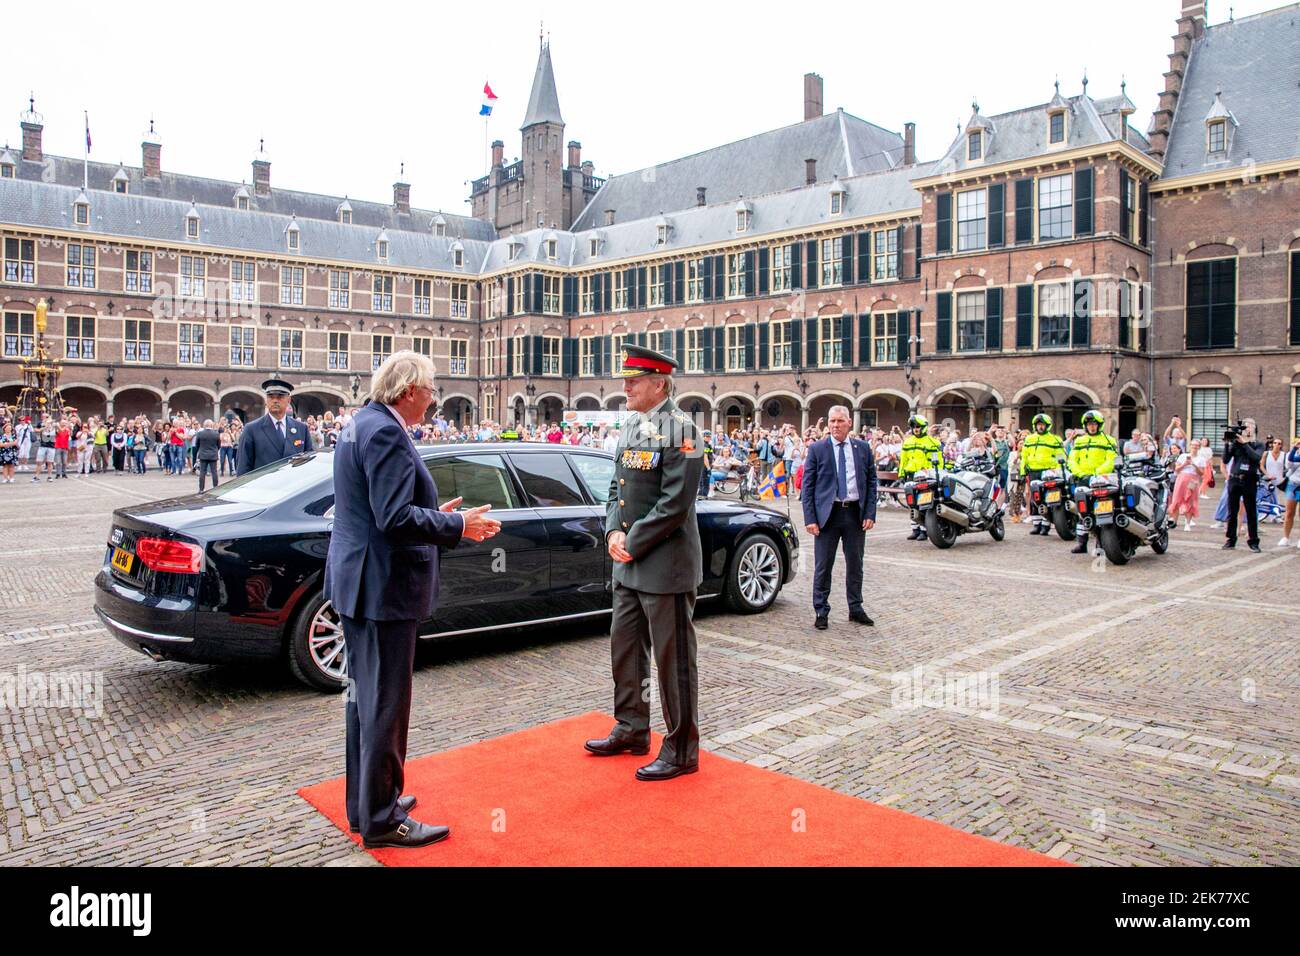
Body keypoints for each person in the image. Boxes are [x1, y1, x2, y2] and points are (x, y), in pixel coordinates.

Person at [324, 351, 500, 849]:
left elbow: (380, 508)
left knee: (366, 700)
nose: (434, 398)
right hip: (382, 588)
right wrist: (457, 526)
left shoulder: (363, 422)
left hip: (363, 583)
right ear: (408, 392)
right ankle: (382, 819)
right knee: (384, 703)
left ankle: (368, 802)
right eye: (430, 389)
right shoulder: (384, 431)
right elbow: (394, 519)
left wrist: (436, 514)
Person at [585, 344, 706, 782]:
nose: (625, 387)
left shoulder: (685, 430)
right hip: (629, 561)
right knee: (626, 650)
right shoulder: (633, 425)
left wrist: (631, 541)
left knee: (673, 662)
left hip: (665, 565)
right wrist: (614, 531)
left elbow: (676, 504)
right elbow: (616, 489)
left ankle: (681, 747)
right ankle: (632, 726)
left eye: (632, 381)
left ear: (659, 383)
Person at [802, 404, 878, 630]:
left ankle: (856, 608)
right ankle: (821, 610)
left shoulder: (863, 448)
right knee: (823, 566)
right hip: (828, 515)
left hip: (854, 513)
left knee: (856, 564)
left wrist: (870, 512)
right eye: (832, 421)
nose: (835, 425)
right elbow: (808, 486)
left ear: (849, 423)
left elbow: (872, 481)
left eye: (840, 421)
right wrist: (810, 518)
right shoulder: (818, 449)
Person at [1067, 410, 1118, 554]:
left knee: (1102, 509)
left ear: (1099, 425)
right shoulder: (1079, 441)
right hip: (1082, 478)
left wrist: (1097, 473)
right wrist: (1080, 473)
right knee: (1082, 510)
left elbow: (1111, 459)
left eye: (1094, 424)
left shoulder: (1108, 440)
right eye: (1089, 424)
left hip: (1101, 479)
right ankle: (1081, 542)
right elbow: (1072, 459)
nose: (1092, 427)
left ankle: (1101, 542)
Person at [237, 379, 308, 476]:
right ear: (266, 400)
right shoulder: (252, 429)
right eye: (271, 397)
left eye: (280, 397)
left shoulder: (301, 428)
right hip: (265, 488)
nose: (275, 400)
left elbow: (308, 463)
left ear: (289, 400)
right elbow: (243, 467)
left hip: (293, 487)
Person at [1020, 413, 1066, 536]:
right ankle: (1036, 524)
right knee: (1035, 498)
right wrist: (1022, 471)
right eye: (1038, 425)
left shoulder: (1055, 439)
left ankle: (1046, 525)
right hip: (1033, 471)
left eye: (1042, 425)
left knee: (1048, 498)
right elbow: (1024, 456)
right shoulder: (1029, 439)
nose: (1040, 427)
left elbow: (1061, 456)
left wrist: (1059, 469)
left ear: (1047, 426)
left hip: (1048, 471)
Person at [898, 414, 943, 540]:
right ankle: (915, 529)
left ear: (923, 427)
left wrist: (932, 473)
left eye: (917, 426)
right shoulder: (908, 442)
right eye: (913, 427)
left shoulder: (932, 443)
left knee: (925, 503)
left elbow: (938, 461)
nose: (915, 429)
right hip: (911, 475)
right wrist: (901, 474)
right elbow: (903, 460)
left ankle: (925, 530)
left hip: (925, 476)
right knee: (912, 503)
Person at [1222, 419, 1263, 552]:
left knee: (1251, 512)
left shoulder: (1258, 444)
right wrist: (1227, 444)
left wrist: (1245, 443)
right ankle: (1231, 539)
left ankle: (1253, 541)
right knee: (1232, 511)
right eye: (1246, 427)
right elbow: (1226, 459)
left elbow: (1256, 458)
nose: (1247, 429)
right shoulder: (1236, 444)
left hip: (1249, 480)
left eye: (1250, 427)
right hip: (1234, 480)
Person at [1169, 439, 1206, 530]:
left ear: (1199, 447)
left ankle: (1188, 523)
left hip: (1193, 480)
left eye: (1196, 446)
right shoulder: (1183, 456)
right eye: (1193, 445)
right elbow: (1176, 469)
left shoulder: (1201, 459)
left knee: (1190, 500)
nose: (1194, 447)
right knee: (1177, 499)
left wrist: (1194, 465)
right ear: (1190, 446)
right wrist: (1185, 464)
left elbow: (1202, 473)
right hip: (1182, 478)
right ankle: (1174, 521)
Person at [1278, 438, 1300, 548]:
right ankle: (1286, 537)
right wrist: (1295, 449)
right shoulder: (1292, 454)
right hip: (1293, 485)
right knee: (1289, 512)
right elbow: (1289, 464)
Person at [194, 419, 221, 492]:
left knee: (202, 472)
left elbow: (197, 445)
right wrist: (215, 450)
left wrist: (201, 450)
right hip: (213, 455)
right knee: (214, 472)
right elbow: (219, 445)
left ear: (204, 425)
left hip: (203, 454)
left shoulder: (200, 433)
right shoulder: (216, 433)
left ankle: (201, 489)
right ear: (211, 425)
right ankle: (215, 488)